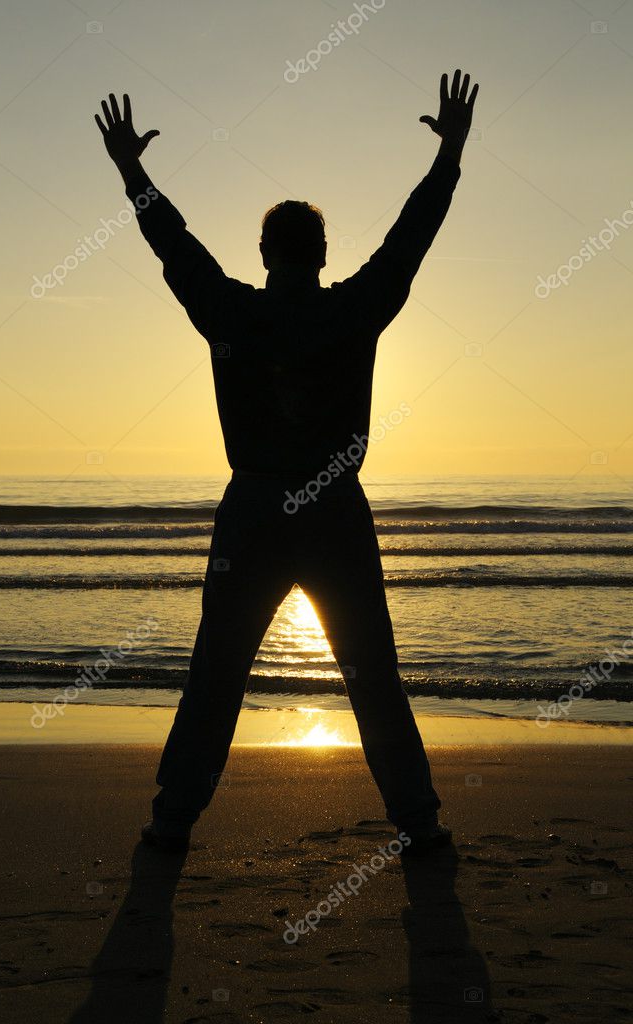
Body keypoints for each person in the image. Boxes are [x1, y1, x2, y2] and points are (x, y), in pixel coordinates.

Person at [95, 70, 478, 854]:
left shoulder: (235, 311)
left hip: (256, 509)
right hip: (334, 508)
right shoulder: (350, 309)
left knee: (219, 671)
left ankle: (172, 822)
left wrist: (132, 172)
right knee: (371, 668)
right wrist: (449, 157)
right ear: (323, 251)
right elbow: (409, 242)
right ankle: (420, 823)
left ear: (266, 252)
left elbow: (177, 248)